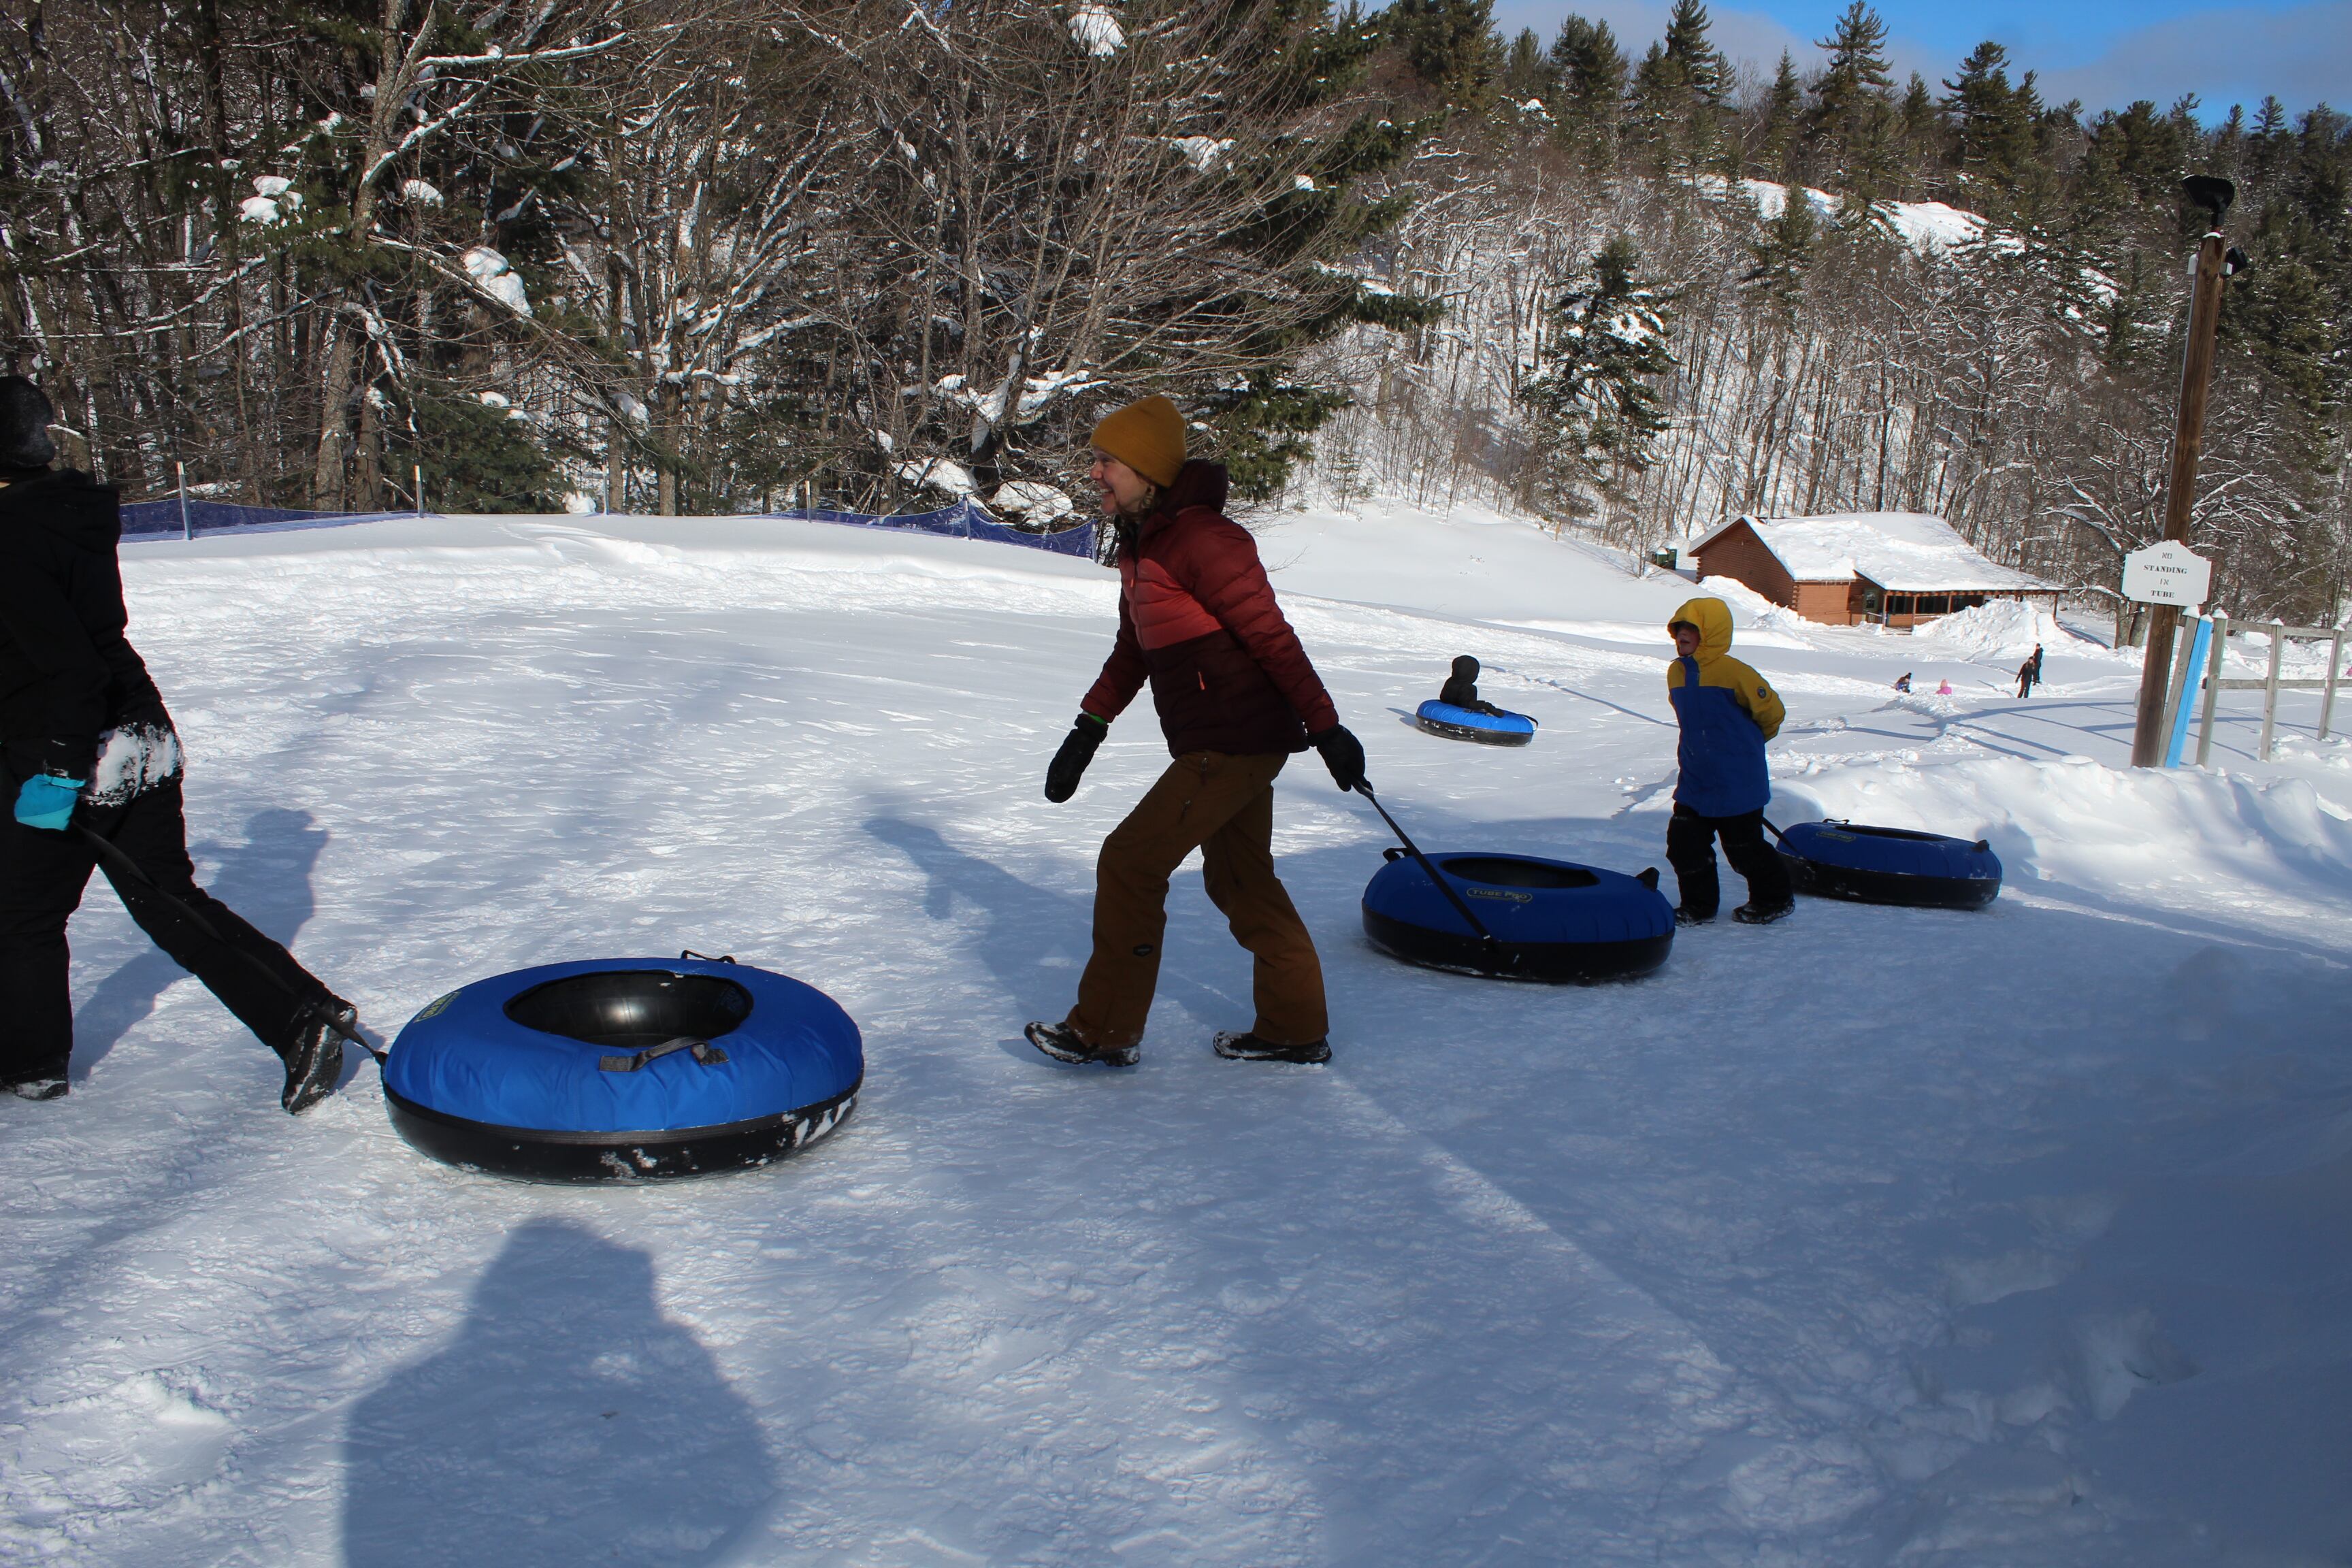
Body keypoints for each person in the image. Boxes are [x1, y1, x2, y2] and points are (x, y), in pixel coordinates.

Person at [0, 376, 361, 1110]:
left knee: (79, 912)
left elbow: (69, 665)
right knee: (98, 905)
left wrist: (62, 770)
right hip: (137, 728)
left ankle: (302, 1017)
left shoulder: (8, 534)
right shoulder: (62, 512)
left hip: (77, 746)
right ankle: (34, 1059)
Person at [1027, 395, 1364, 1068]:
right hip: (1224, 741)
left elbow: (1272, 637)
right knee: (1239, 881)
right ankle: (1294, 1029)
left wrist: (1328, 728)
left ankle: (1104, 1029)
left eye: (1107, 461)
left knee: (1130, 862)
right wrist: (1085, 731)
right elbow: (1134, 652)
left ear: (1147, 472)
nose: (1094, 473)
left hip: (1232, 741)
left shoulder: (1204, 539)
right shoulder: (1145, 545)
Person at [1663, 598, 1792, 927]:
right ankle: (1699, 906)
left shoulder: (1736, 673)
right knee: (1684, 846)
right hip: (1695, 778)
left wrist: (1744, 747)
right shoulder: (1676, 673)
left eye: (1691, 628)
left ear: (1712, 632)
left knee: (1744, 848)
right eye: (1679, 628)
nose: (1683, 635)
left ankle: (1774, 899)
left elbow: (1772, 714)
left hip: (1738, 780)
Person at [1437, 655, 1509, 717]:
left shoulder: (1451, 681)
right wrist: (1486, 706)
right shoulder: (1468, 688)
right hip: (1460, 715)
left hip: (1447, 710)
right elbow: (1467, 704)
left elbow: (1443, 698)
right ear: (1472, 674)